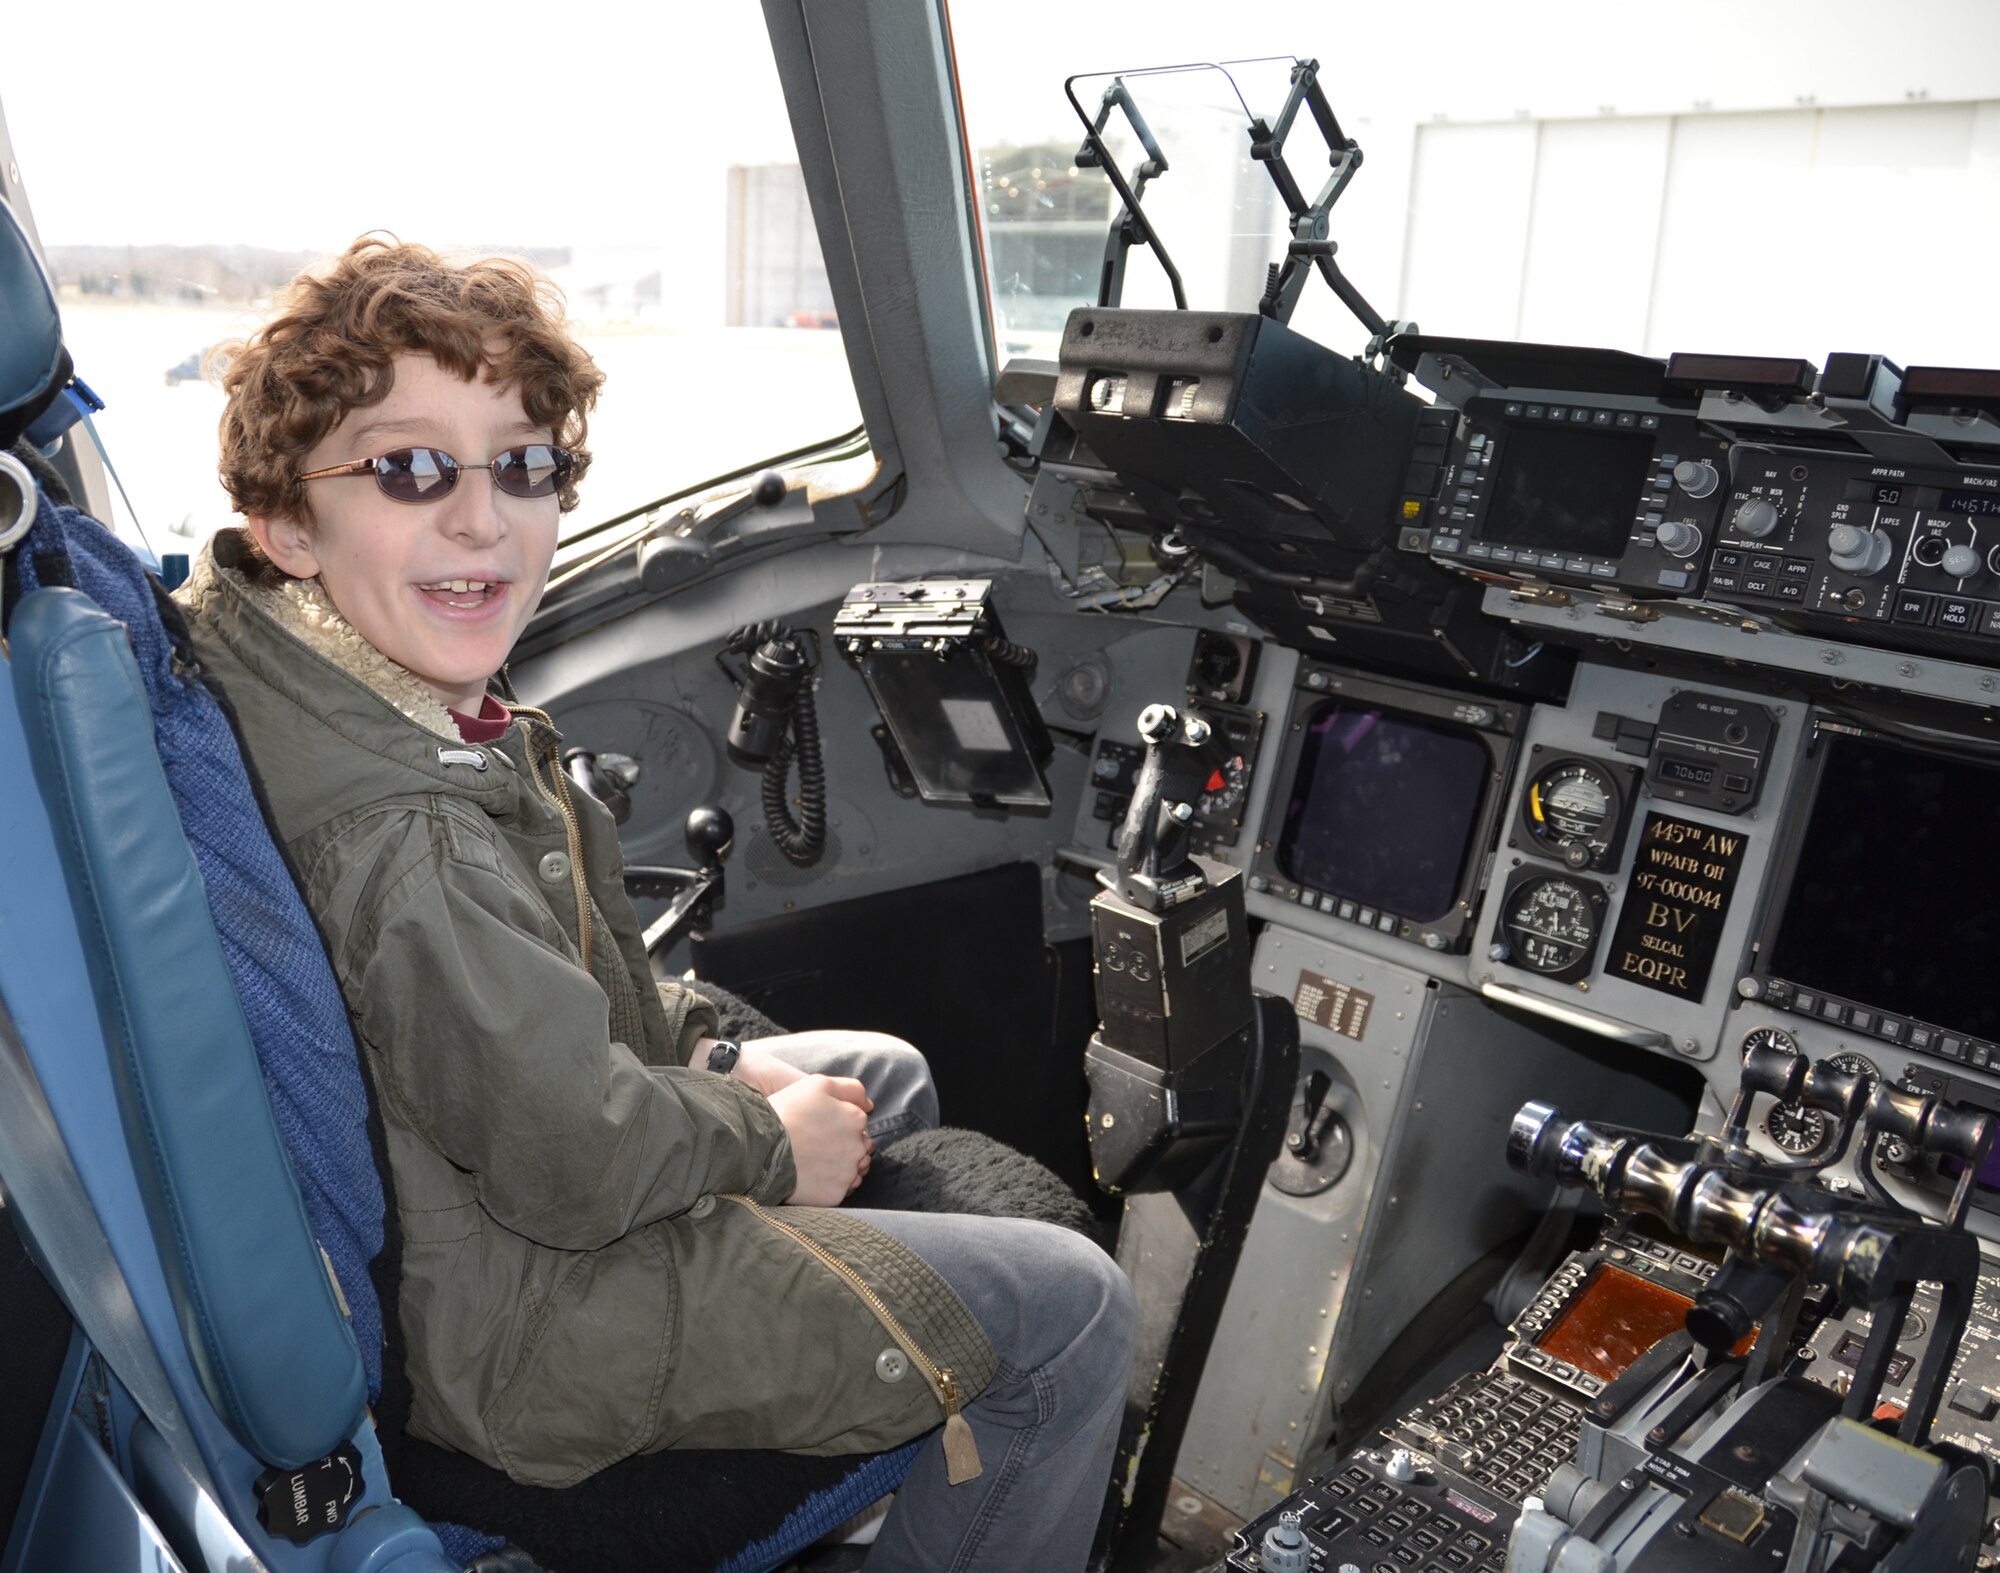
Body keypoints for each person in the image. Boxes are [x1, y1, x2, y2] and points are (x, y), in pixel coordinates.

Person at [175, 236, 1134, 1570]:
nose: (481, 517)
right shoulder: (406, 830)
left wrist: (696, 1055)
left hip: (493, 1207)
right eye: (408, 469)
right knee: (1076, 1312)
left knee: (882, 1076)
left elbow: (555, 1001)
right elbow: (568, 1150)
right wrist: (750, 1132)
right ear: (287, 520)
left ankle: (884, 1469)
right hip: (533, 1330)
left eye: (523, 466)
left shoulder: (352, 694)